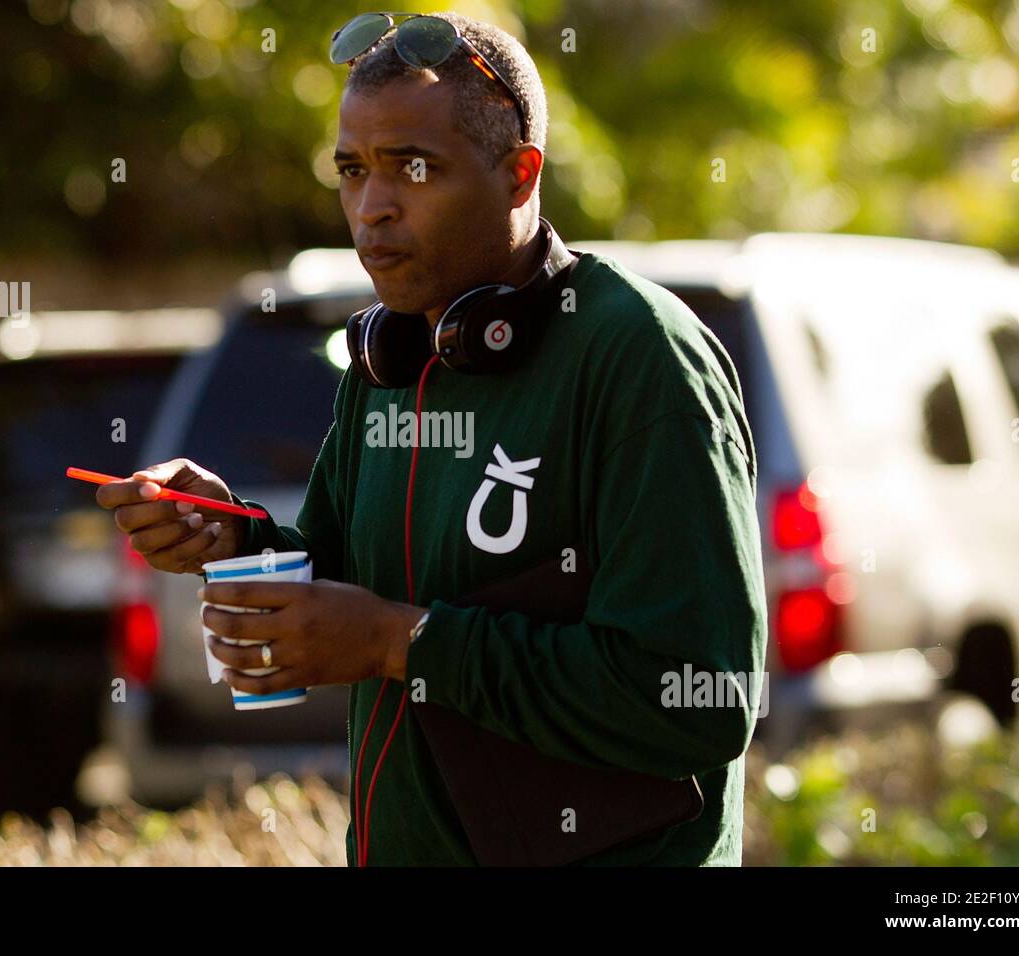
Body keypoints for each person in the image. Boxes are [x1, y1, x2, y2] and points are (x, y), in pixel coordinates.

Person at [95, 12, 766, 866]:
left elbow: (699, 702)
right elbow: (348, 586)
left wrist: (398, 644)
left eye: (414, 169)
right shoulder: (390, 360)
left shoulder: (640, 359)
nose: (371, 209)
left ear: (520, 175)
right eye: (350, 170)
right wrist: (233, 538)